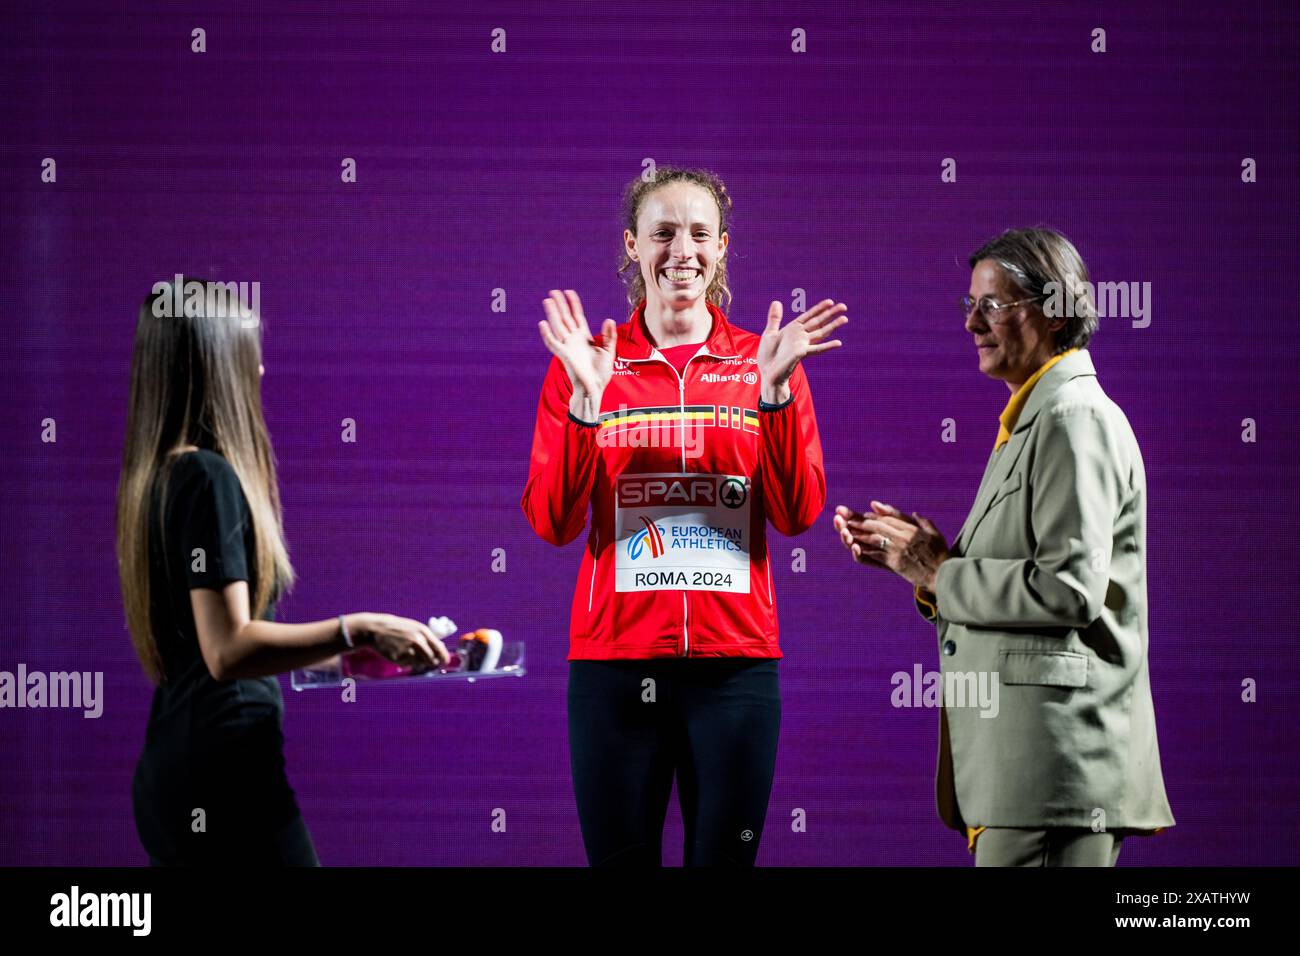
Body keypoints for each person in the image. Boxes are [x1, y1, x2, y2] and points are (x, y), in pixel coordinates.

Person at [521, 167, 847, 866]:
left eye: (700, 233)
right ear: (633, 247)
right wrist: (585, 400)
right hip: (613, 666)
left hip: (735, 672)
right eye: (662, 233)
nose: (682, 250)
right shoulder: (590, 363)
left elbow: (797, 514)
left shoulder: (762, 359)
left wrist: (778, 392)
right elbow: (551, 520)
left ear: (723, 247)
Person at [833, 228, 1174, 866]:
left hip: (1051, 775)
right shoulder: (1035, 419)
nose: (972, 323)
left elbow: (1069, 590)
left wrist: (938, 572)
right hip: (1022, 778)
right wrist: (928, 562)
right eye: (970, 305)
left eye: (993, 304)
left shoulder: (1075, 420)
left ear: (1054, 311)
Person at [115, 278, 449, 866]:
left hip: (181, 768)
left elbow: (215, 646)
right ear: (215, 364)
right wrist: (360, 628)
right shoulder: (207, 478)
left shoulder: (158, 478)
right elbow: (227, 652)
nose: (262, 371)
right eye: (249, 355)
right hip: (224, 774)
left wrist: (347, 660)